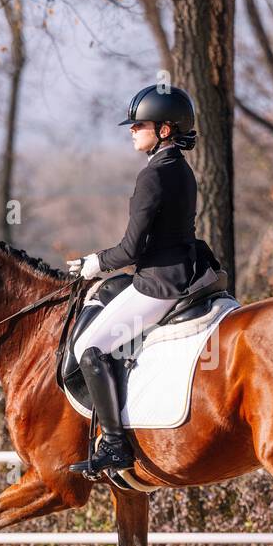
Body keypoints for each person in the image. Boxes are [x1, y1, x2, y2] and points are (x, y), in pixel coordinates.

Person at [66, 84, 222, 476]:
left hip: (158, 283)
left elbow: (131, 250)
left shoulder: (153, 175)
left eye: (139, 125)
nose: (132, 130)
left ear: (165, 130)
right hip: (181, 271)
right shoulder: (180, 170)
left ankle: (116, 444)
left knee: (89, 347)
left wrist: (94, 262)